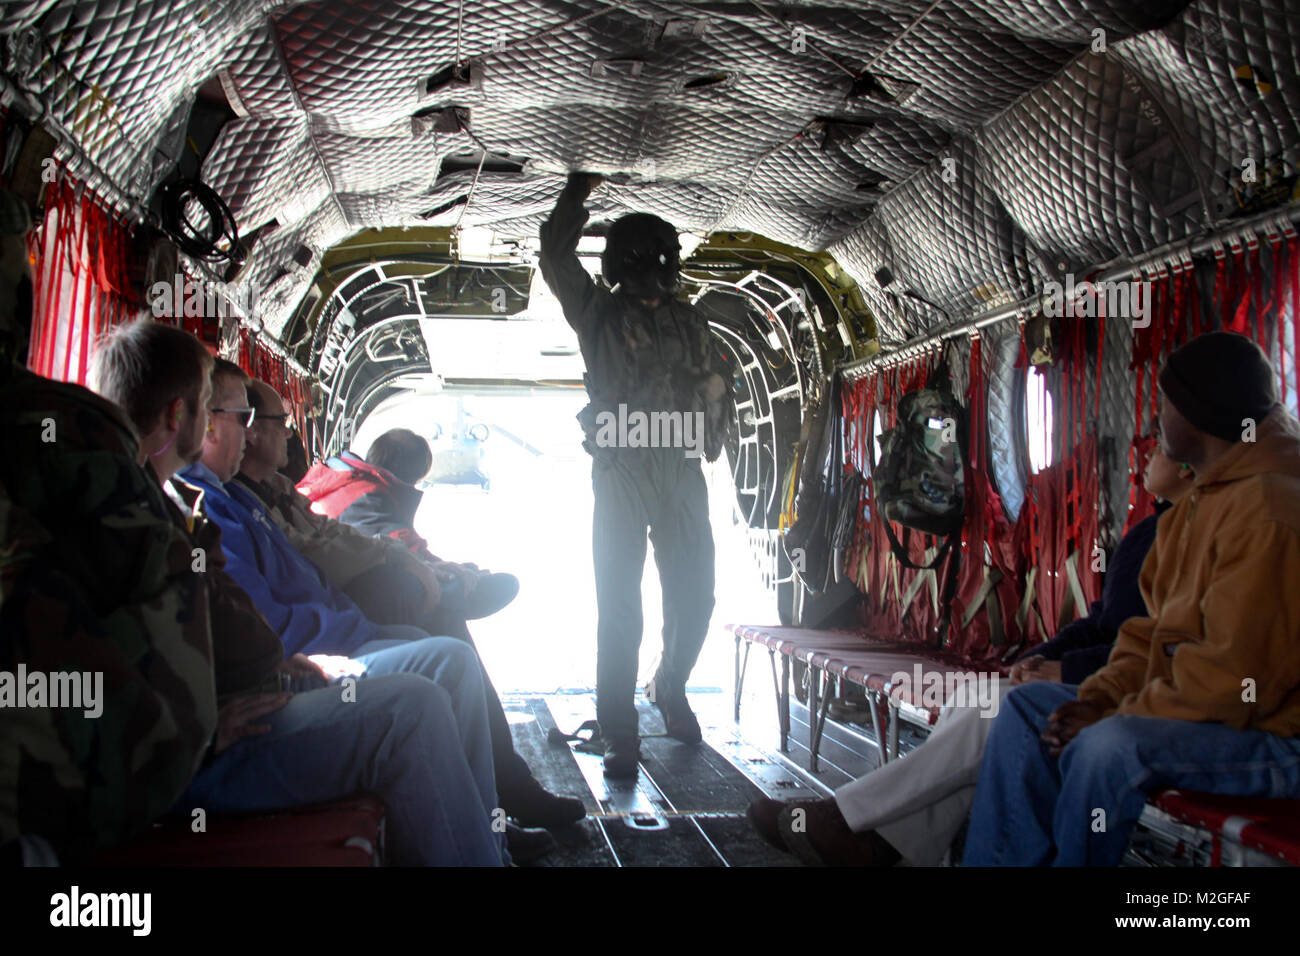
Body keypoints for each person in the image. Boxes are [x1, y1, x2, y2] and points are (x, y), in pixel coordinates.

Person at [88, 319, 510, 865]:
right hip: (183, 765)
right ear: (182, 416)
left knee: (438, 670)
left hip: (219, 716)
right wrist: (203, 723)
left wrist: (268, 668)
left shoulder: (158, 506)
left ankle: (487, 840)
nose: (243, 431)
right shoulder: (146, 517)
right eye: (225, 413)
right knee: (414, 708)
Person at [748, 446, 1194, 865]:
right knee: (975, 696)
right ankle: (878, 842)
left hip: (1144, 692)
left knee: (993, 715)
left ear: (1189, 468)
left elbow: (1174, 650)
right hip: (1105, 674)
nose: (1148, 451)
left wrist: (1067, 669)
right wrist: (1038, 658)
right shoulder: (1149, 534)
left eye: (1163, 446)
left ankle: (848, 819)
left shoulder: (1201, 534)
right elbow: (1102, 623)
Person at [965, 331, 1300, 866]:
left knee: (1107, 748)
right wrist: (1096, 698)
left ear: (1194, 412)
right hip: (1202, 713)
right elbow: (1145, 638)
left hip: (1274, 739)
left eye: (1165, 402)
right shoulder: (1197, 505)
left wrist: (1112, 718)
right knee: (1028, 709)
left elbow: (1237, 682)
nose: (1156, 416)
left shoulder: (1269, 510)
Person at [242, 386, 584, 829]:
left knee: (439, 625)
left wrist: (426, 565)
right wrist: (422, 570)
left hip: (334, 617)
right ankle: (498, 801)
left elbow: (344, 539)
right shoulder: (251, 502)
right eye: (280, 423)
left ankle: (490, 811)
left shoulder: (281, 490)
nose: (290, 436)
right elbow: (333, 549)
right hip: (323, 635)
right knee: (440, 637)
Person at [0, 191, 217, 865]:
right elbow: (163, 734)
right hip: (68, 802)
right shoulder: (68, 438)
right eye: (222, 411)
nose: (217, 432)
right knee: (413, 702)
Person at [538, 171, 734, 776]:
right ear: (623, 264)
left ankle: (669, 686)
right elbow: (554, 254)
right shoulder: (595, 311)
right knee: (620, 605)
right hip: (622, 466)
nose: (658, 271)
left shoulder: (691, 319)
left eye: (665, 259)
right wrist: (576, 194)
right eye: (646, 259)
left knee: (696, 595)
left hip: (678, 467)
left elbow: (715, 381)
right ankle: (620, 732)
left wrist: (712, 431)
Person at [294, 426, 519, 623]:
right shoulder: (367, 495)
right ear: (409, 478)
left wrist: (454, 567)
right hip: (340, 592)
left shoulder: (335, 478)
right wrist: (451, 572)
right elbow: (397, 543)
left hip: (321, 582)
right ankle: (462, 599)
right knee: (442, 601)